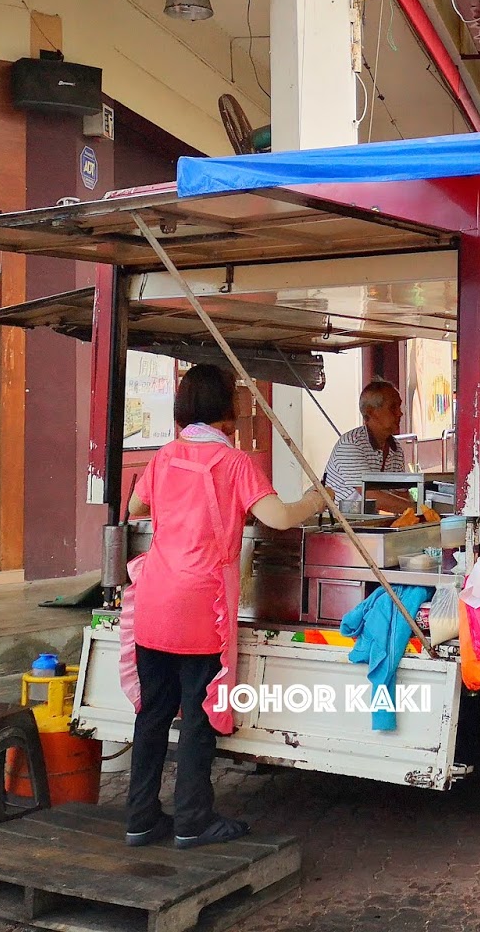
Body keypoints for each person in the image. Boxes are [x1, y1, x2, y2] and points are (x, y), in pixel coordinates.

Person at [123, 364, 327, 849]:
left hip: (153, 603)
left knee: (152, 714)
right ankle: (193, 820)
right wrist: (314, 501)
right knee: (196, 715)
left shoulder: (164, 457)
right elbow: (276, 517)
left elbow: (135, 510)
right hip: (201, 607)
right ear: (227, 412)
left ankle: (141, 818)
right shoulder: (234, 463)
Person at [323, 379, 414, 513]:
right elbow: (371, 495)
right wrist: (421, 510)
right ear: (371, 412)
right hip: (337, 525)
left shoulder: (395, 449)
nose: (400, 413)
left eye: (399, 407)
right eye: (393, 407)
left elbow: (401, 494)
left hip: (368, 522)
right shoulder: (351, 445)